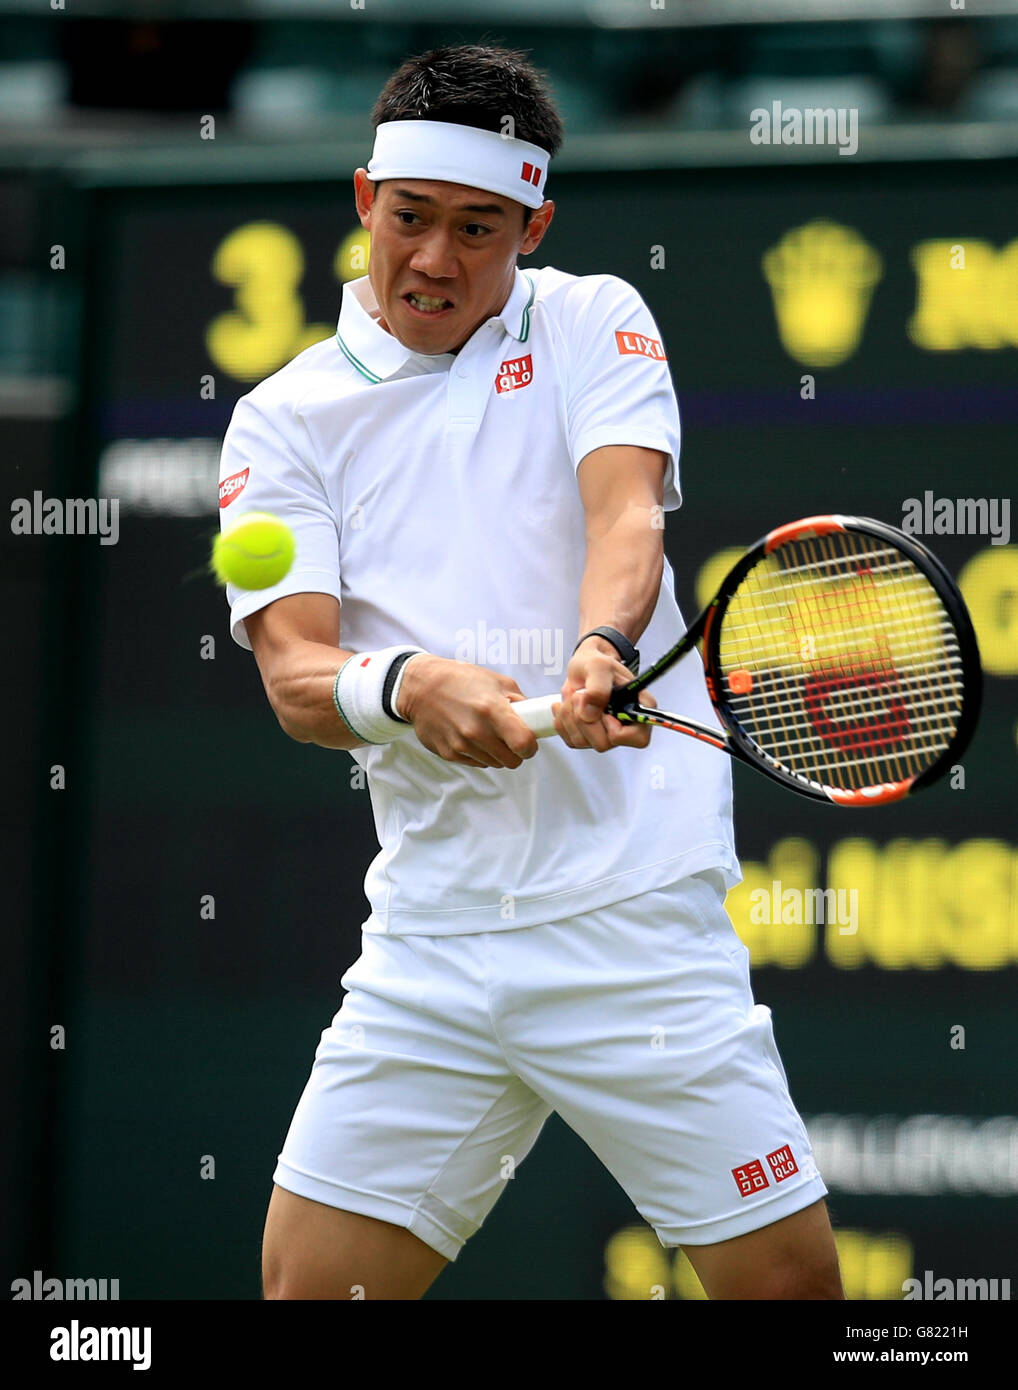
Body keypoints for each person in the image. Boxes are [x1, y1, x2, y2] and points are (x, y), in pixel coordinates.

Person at [217, 43, 844, 1301]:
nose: (436, 260)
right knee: (306, 1295)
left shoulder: (592, 316)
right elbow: (296, 677)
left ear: (533, 224)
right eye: (409, 220)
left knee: (789, 1294)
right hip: (432, 940)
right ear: (362, 202)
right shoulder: (281, 419)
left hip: (630, 925)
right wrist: (403, 687)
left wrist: (601, 650)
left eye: (478, 227)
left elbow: (625, 520)